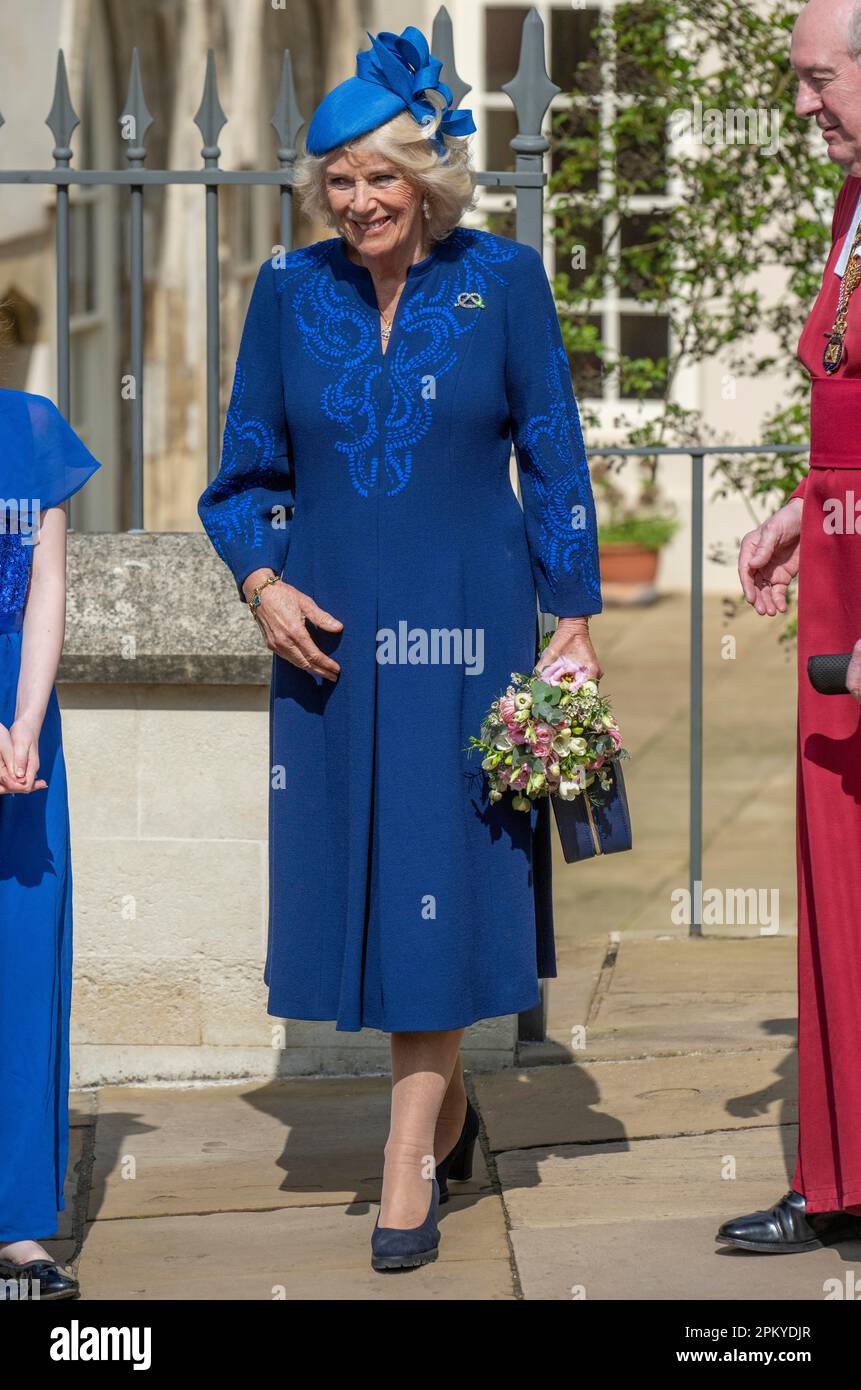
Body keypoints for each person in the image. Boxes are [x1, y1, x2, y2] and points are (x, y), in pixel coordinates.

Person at [198, 25, 603, 1272]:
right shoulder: (286, 291)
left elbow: (556, 457)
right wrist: (263, 581)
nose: (360, 200)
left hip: (470, 631)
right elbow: (242, 475)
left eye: (382, 175)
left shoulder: (504, 281)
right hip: (325, 641)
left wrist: (574, 620)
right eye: (338, 179)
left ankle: (405, 1160)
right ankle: (458, 1111)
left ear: (426, 178)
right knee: (373, 894)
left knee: (440, 881)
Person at [724, 0, 861, 1253]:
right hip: (839, 575)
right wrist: (794, 509)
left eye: (821, 80)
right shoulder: (851, 204)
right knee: (835, 875)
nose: (803, 106)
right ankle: (841, 1173)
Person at [0, 389, 100, 1299]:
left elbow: (46, 585)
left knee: (23, 959)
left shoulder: (30, 427)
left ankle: (17, 1225)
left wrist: (23, 721)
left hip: (20, 728)